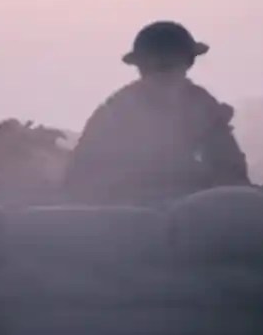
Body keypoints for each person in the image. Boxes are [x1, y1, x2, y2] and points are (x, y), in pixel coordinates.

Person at [64, 21, 250, 204]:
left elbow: (231, 170)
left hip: (186, 212)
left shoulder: (200, 103)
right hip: (133, 216)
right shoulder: (116, 110)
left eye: (170, 63)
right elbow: (82, 177)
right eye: (162, 64)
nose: (166, 70)